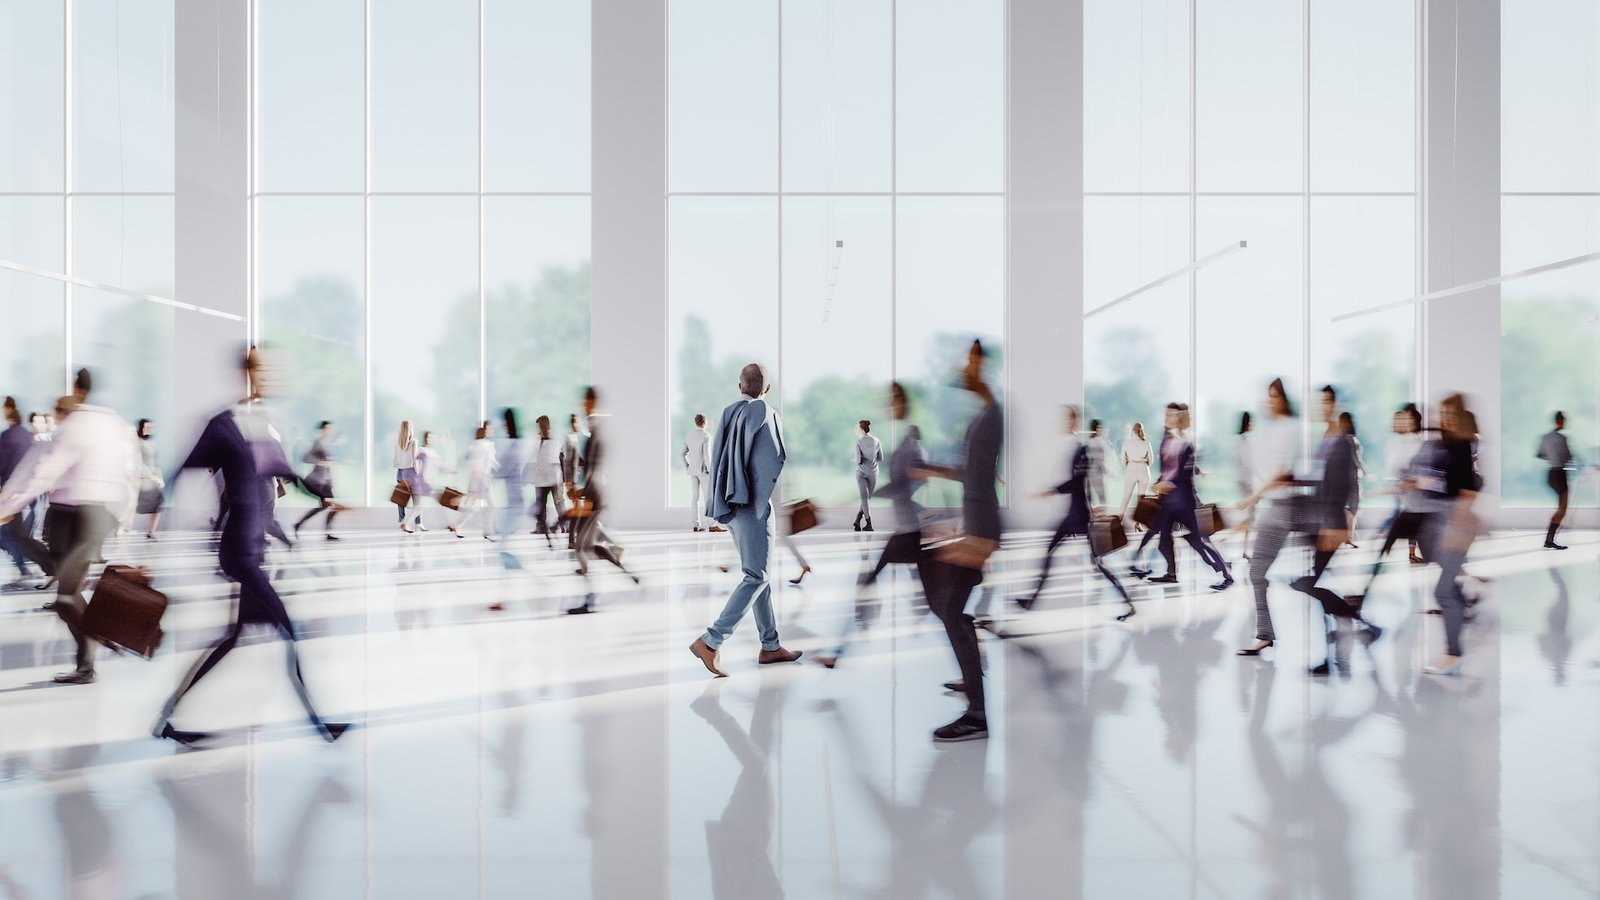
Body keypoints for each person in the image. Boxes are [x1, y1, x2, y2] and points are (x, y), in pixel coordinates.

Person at [151, 348, 347, 744]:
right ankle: (322, 725)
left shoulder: (263, 425)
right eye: (262, 369)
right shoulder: (224, 425)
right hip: (239, 552)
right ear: (247, 373)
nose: (271, 376)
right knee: (289, 633)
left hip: (255, 550)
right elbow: (180, 472)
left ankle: (166, 717)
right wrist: (164, 537)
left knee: (233, 638)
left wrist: (327, 498)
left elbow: (290, 476)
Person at [0, 388, 139, 685]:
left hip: (87, 518)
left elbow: (40, 473)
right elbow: (34, 471)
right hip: (67, 517)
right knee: (68, 596)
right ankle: (87, 663)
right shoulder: (96, 428)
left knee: (66, 597)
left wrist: (9, 507)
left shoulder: (80, 430)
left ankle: (97, 648)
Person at [910, 340, 1003, 743]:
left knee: (948, 609)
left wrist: (967, 531)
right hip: (976, 520)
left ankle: (977, 714)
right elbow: (972, 474)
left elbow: (978, 476)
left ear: (983, 367)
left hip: (982, 525)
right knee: (949, 608)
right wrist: (935, 470)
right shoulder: (984, 415)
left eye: (972, 362)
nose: (966, 369)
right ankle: (972, 672)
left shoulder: (993, 414)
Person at [689, 364, 803, 676]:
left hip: (729, 504)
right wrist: (765, 500)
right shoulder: (766, 412)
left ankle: (770, 646)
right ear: (767, 389)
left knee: (758, 573)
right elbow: (775, 459)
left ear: (739, 385)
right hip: (754, 507)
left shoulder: (728, 412)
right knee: (757, 576)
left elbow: (718, 459)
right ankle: (711, 641)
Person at [1016, 405, 1133, 616]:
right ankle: (1031, 601)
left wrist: (1049, 492)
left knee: (1094, 562)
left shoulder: (1081, 449)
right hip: (1075, 512)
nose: (1062, 422)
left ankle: (1128, 603)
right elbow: (1081, 484)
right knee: (1071, 557)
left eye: (1066, 418)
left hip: (1078, 515)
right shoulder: (1075, 447)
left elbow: (1077, 483)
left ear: (1074, 421)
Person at [1410, 394, 1482, 676]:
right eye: (1443, 413)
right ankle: (1465, 604)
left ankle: (1453, 655)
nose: (1446, 419)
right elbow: (1433, 482)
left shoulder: (1462, 447)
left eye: (1452, 414)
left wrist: (1456, 532)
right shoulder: (1441, 446)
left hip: (1457, 526)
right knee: (1449, 588)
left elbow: (1467, 493)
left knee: (1442, 591)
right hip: (1438, 523)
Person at [1128, 403, 1231, 590]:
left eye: (1172, 415)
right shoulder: (1167, 440)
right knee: (1163, 541)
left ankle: (1226, 575)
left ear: (1180, 417)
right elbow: (1166, 470)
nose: (1168, 418)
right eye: (1167, 414)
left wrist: (1168, 484)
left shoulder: (1186, 443)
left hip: (1184, 502)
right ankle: (1171, 574)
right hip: (1169, 501)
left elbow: (1185, 475)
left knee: (1198, 542)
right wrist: (1160, 483)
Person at [1235, 378, 1303, 657]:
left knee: (1315, 577)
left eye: (1274, 396)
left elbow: (1283, 472)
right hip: (1275, 507)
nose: (1269, 401)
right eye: (1268, 396)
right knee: (1256, 573)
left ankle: (1350, 618)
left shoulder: (1291, 428)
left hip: (1288, 508)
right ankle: (1265, 635)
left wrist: (1253, 497)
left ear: (1284, 399)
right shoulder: (1271, 429)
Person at [567, 387, 637, 594]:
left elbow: (593, 469)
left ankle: (589, 599)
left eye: (586, 402)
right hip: (594, 492)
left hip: (595, 494)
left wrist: (585, 495)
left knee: (582, 547)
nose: (584, 406)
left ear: (592, 402)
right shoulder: (597, 429)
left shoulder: (598, 431)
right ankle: (624, 569)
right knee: (586, 546)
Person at [0, 397, 38, 588]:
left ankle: (25, 565)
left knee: (6, 534)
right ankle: (25, 563)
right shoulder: (26, 436)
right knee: (17, 533)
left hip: (10, 494)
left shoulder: (7, 436)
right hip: (27, 492)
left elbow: (2, 465)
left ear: (8, 410)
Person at [294, 421, 343, 540]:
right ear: (322, 430)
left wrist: (331, 479)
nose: (330, 431)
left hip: (325, 481)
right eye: (328, 429)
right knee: (329, 505)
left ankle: (301, 525)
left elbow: (329, 465)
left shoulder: (327, 444)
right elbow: (305, 458)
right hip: (317, 480)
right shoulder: (317, 443)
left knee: (330, 506)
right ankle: (302, 526)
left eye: (331, 429)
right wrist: (320, 462)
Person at [450, 423, 498, 538]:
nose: (491, 431)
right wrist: (475, 485)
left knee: (474, 506)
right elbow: (476, 464)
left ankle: (457, 525)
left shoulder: (483, 444)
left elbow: (491, 461)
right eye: (489, 429)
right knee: (491, 504)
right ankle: (488, 531)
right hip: (481, 478)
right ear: (484, 430)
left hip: (480, 478)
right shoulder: (481, 445)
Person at [527, 415, 566, 549]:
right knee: (540, 503)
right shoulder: (537, 441)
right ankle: (540, 528)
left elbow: (563, 456)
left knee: (559, 501)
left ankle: (563, 526)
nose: (538, 429)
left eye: (539, 426)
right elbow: (532, 457)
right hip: (541, 476)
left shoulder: (557, 439)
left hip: (554, 476)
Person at [1539, 411, 1573, 550]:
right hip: (1560, 474)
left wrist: (1552, 456)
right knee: (1562, 509)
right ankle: (1549, 540)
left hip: (1551, 474)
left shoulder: (1545, 437)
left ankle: (1549, 540)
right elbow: (1568, 457)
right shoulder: (1562, 438)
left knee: (1561, 508)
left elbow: (1540, 454)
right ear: (1561, 421)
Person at [494, 409, 526, 541]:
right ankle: (503, 539)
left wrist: (494, 472)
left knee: (511, 520)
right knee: (508, 524)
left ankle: (502, 540)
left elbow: (505, 467)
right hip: (513, 494)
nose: (504, 427)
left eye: (505, 424)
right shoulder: (514, 443)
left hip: (515, 494)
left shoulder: (514, 445)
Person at [133, 419, 164, 539]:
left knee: (157, 504)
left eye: (150, 428)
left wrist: (159, 477)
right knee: (133, 505)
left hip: (153, 478)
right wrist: (150, 476)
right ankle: (123, 527)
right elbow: (138, 463)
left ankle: (152, 531)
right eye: (146, 427)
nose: (149, 430)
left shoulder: (152, 444)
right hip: (142, 478)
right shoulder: (137, 443)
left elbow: (154, 463)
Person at [683, 414, 713, 532]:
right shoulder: (706, 435)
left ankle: (696, 525)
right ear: (705, 422)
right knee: (708, 497)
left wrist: (687, 466)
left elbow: (682, 453)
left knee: (695, 498)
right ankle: (712, 524)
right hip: (704, 471)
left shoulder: (689, 435)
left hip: (692, 470)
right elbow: (707, 455)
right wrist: (710, 469)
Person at [394, 420, 424, 533]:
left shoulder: (398, 442)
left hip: (400, 472)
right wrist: (418, 474)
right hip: (410, 472)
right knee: (417, 499)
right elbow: (415, 459)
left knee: (401, 498)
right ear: (410, 429)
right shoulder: (413, 441)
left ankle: (402, 520)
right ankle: (418, 523)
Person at [1340, 412, 1365, 547]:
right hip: (1353, 477)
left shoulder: (1343, 439)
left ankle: (1348, 537)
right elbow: (1356, 459)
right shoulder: (1350, 439)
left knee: (1351, 507)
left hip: (1347, 477)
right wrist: (1366, 472)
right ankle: (1349, 537)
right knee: (1354, 507)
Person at [1119, 422, 1153, 521]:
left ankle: (1119, 521)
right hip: (1144, 470)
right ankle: (1139, 523)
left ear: (1132, 430)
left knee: (1126, 497)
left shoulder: (1127, 443)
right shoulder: (1146, 443)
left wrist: (1129, 465)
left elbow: (1122, 460)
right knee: (1142, 499)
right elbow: (1151, 460)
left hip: (1131, 469)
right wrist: (1144, 464)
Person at [853, 420, 883, 532]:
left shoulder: (858, 442)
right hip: (873, 473)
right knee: (866, 498)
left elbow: (858, 460)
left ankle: (866, 523)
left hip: (861, 473)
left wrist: (853, 460)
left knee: (864, 499)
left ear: (861, 430)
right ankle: (859, 520)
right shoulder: (876, 440)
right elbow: (881, 458)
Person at [1087, 418, 1114, 509]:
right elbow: (1100, 463)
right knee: (1103, 500)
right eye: (1100, 428)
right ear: (1097, 429)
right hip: (1097, 475)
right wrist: (1110, 473)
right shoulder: (1099, 443)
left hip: (1089, 475)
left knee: (1090, 500)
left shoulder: (1088, 442)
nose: (1102, 430)